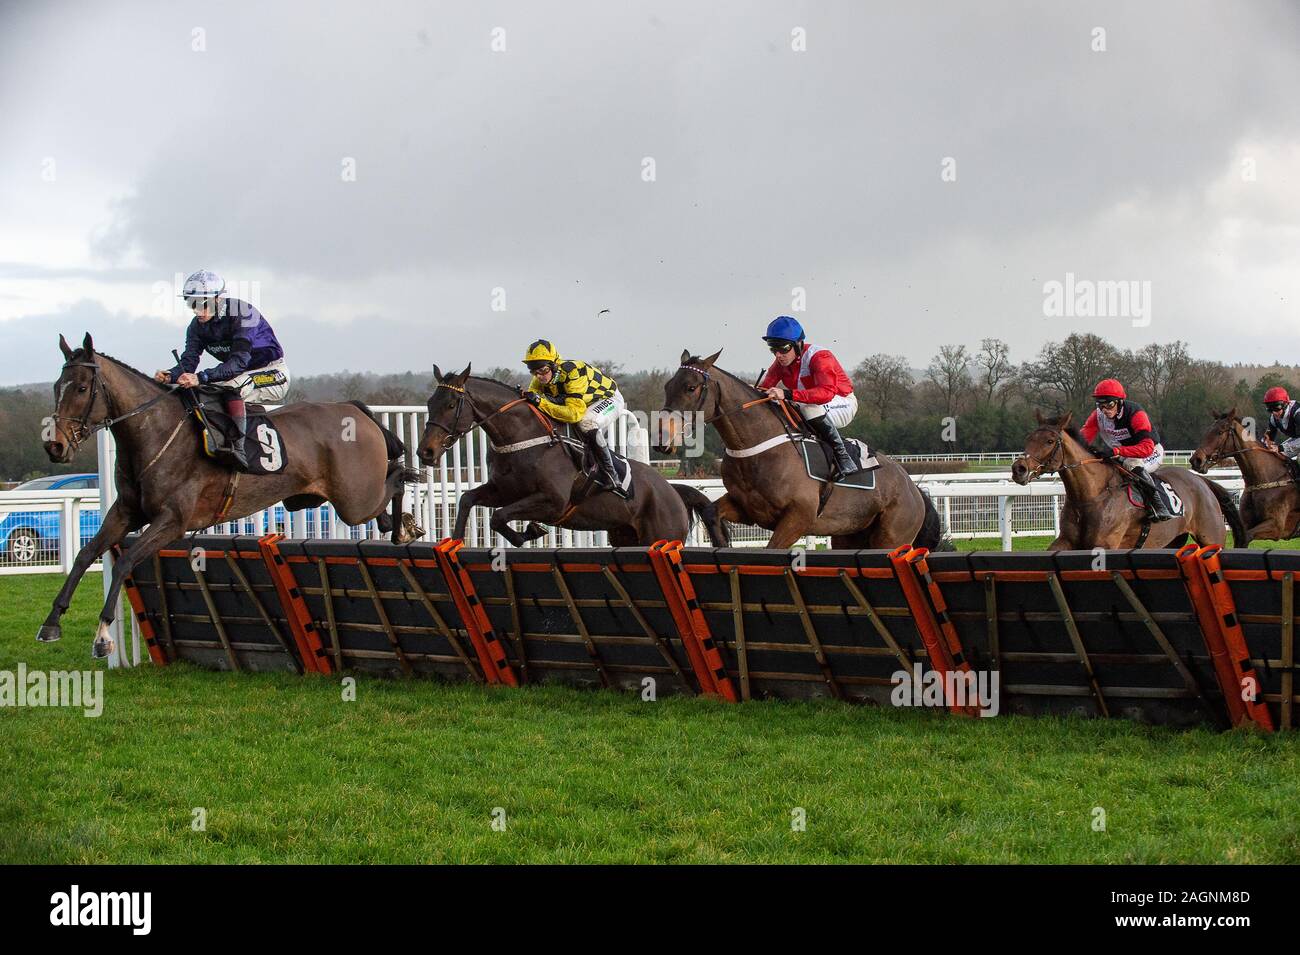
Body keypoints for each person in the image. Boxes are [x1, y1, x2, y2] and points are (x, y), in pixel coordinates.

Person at [154, 270, 289, 468]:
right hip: (237, 374)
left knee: (230, 388)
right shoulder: (196, 327)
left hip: (273, 373)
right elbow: (189, 362)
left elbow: (238, 363)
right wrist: (171, 375)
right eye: (191, 303)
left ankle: (239, 448)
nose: (197, 310)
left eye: (202, 303)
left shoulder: (244, 313)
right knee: (199, 392)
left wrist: (201, 377)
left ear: (218, 299)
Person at [520, 339, 629, 499]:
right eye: (534, 371)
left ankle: (611, 475)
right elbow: (535, 405)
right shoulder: (539, 378)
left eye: (543, 370)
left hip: (608, 399)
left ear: (554, 365)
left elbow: (574, 414)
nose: (539, 376)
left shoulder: (573, 371)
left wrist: (541, 401)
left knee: (586, 422)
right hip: (580, 403)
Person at [757, 315, 863, 476]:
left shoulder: (820, 357)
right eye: (773, 349)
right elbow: (763, 388)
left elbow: (826, 393)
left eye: (783, 348)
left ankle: (844, 458)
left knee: (808, 408)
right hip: (811, 403)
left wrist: (786, 393)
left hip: (841, 401)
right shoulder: (781, 362)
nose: (778, 355)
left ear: (798, 344)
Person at [1079, 378, 1173, 521]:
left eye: (1109, 404)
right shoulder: (1097, 416)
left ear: (1120, 401)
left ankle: (1159, 506)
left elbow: (1146, 448)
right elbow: (1082, 439)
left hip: (1149, 451)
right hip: (1122, 453)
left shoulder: (1136, 414)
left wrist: (1117, 451)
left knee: (1131, 464)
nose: (1105, 410)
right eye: (1100, 405)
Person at [1262, 386, 1300, 477]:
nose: (1274, 413)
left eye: (1277, 408)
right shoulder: (1273, 418)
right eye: (1270, 409)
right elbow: (1268, 438)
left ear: (1285, 404)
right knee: (1277, 456)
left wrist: (1280, 448)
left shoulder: (1297, 413)